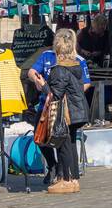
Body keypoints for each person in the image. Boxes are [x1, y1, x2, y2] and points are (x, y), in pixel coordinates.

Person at [29, 30, 92, 188]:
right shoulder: (55, 59)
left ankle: (66, 178)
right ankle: (64, 173)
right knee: (51, 139)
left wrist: (44, 85)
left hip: (62, 109)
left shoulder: (67, 65)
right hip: (57, 107)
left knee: (65, 142)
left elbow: (57, 92)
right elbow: (32, 72)